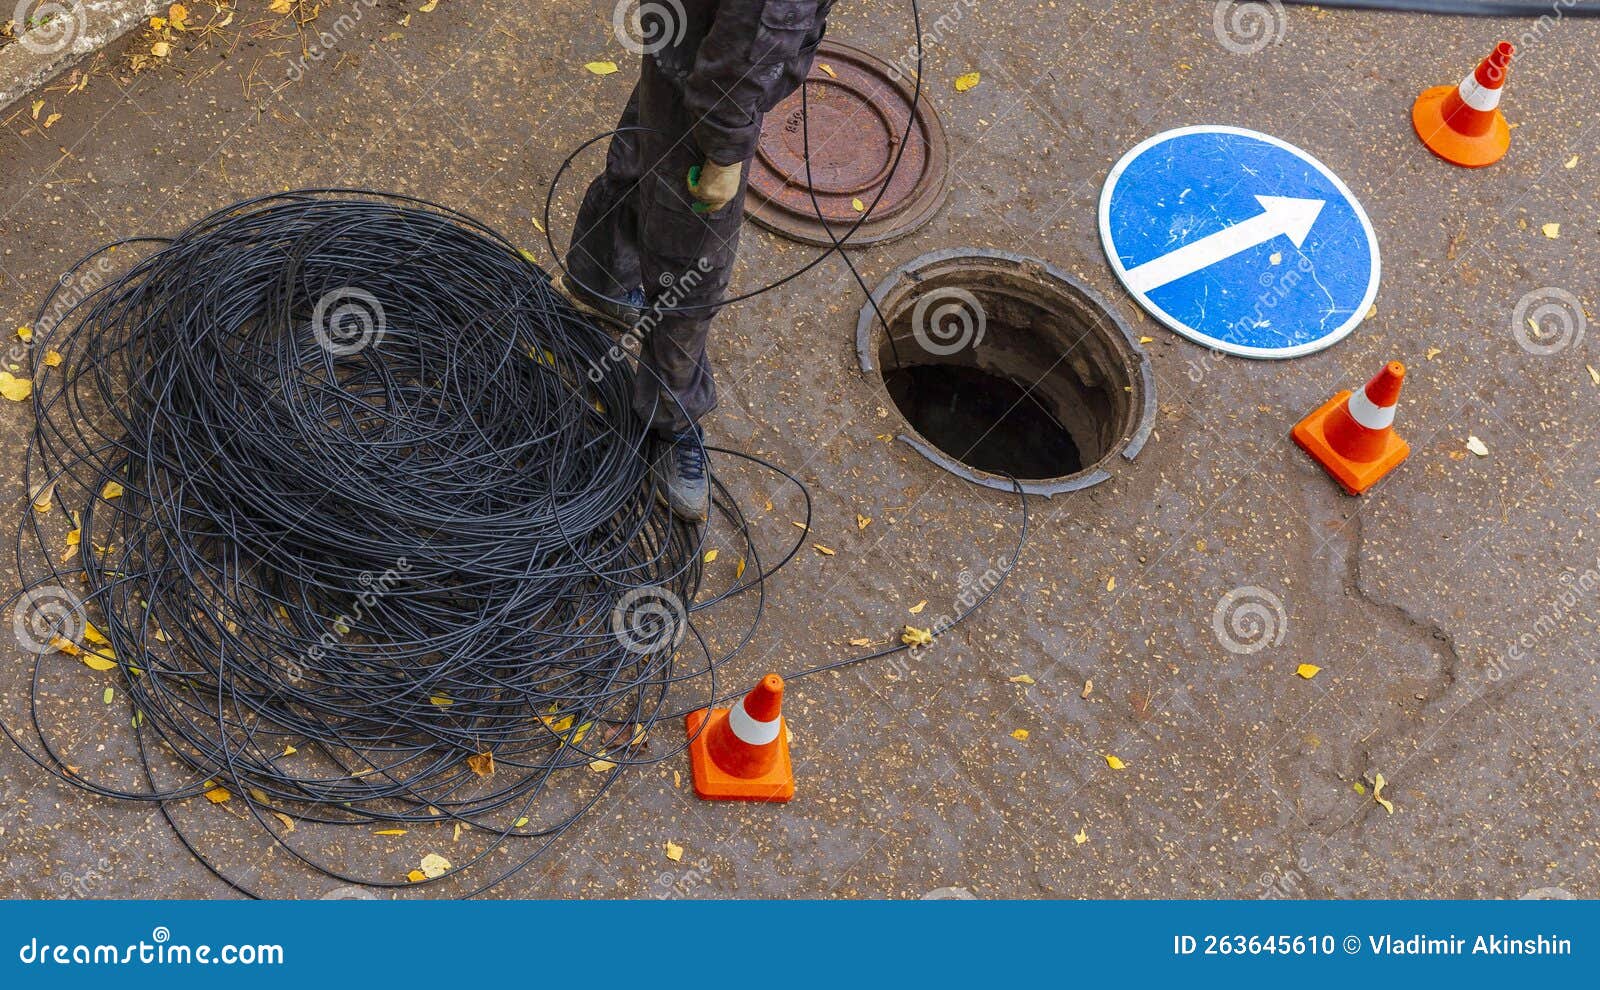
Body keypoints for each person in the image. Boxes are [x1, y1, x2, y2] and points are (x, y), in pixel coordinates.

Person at [564, 0, 835, 523]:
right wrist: (724, 151)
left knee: (654, 127)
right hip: (721, 69)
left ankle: (602, 275)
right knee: (692, 268)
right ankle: (671, 420)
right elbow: (757, 34)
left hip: (684, 27)